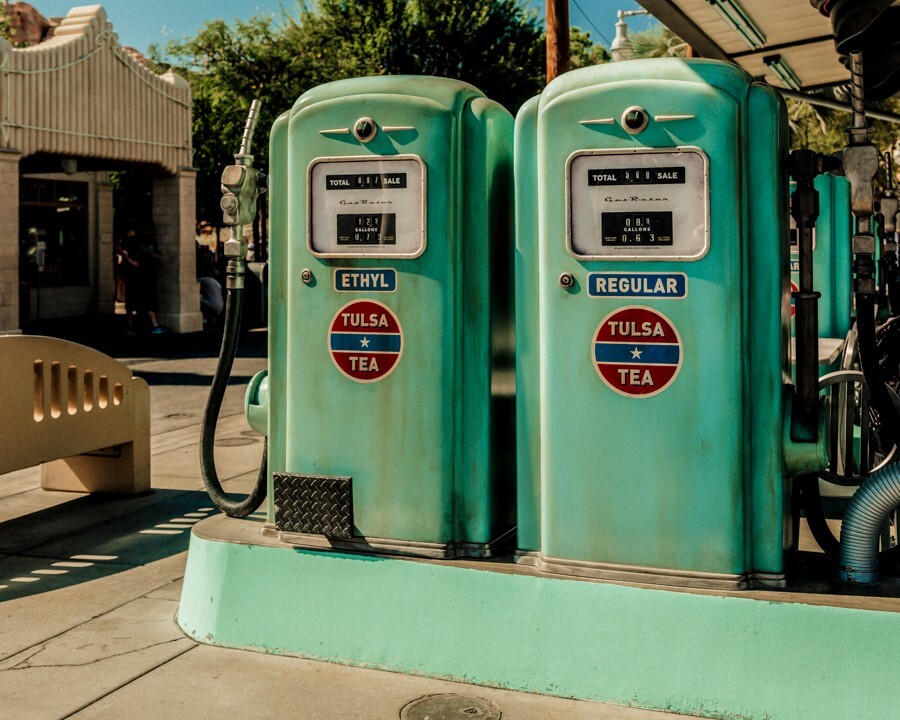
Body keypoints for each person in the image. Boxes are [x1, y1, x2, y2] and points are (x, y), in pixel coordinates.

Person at [121, 223, 170, 335]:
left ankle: (152, 325)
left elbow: (157, 255)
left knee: (147, 298)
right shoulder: (132, 240)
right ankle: (131, 326)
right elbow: (119, 248)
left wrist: (155, 256)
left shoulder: (151, 241)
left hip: (147, 273)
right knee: (132, 299)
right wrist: (130, 261)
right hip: (134, 274)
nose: (149, 233)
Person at [197, 250, 224, 330]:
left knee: (198, 297)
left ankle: (204, 319)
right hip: (220, 307)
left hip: (213, 306)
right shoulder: (215, 281)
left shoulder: (204, 280)